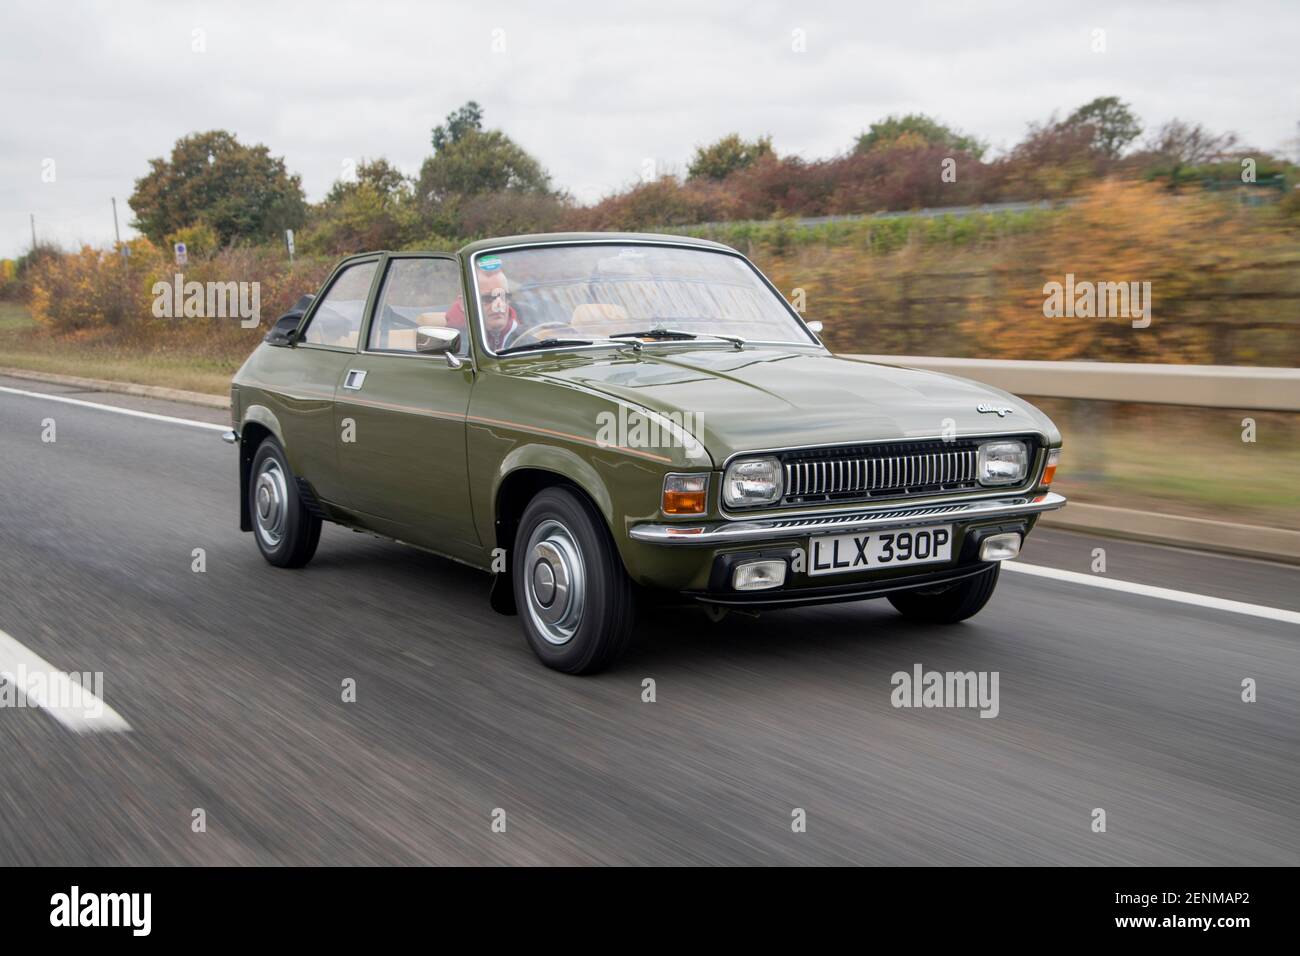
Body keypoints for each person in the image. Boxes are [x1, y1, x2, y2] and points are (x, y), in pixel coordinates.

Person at [444, 262, 519, 350]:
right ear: (464, 304)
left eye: (503, 296)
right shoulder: (453, 344)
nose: (499, 305)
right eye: (487, 298)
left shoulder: (527, 336)